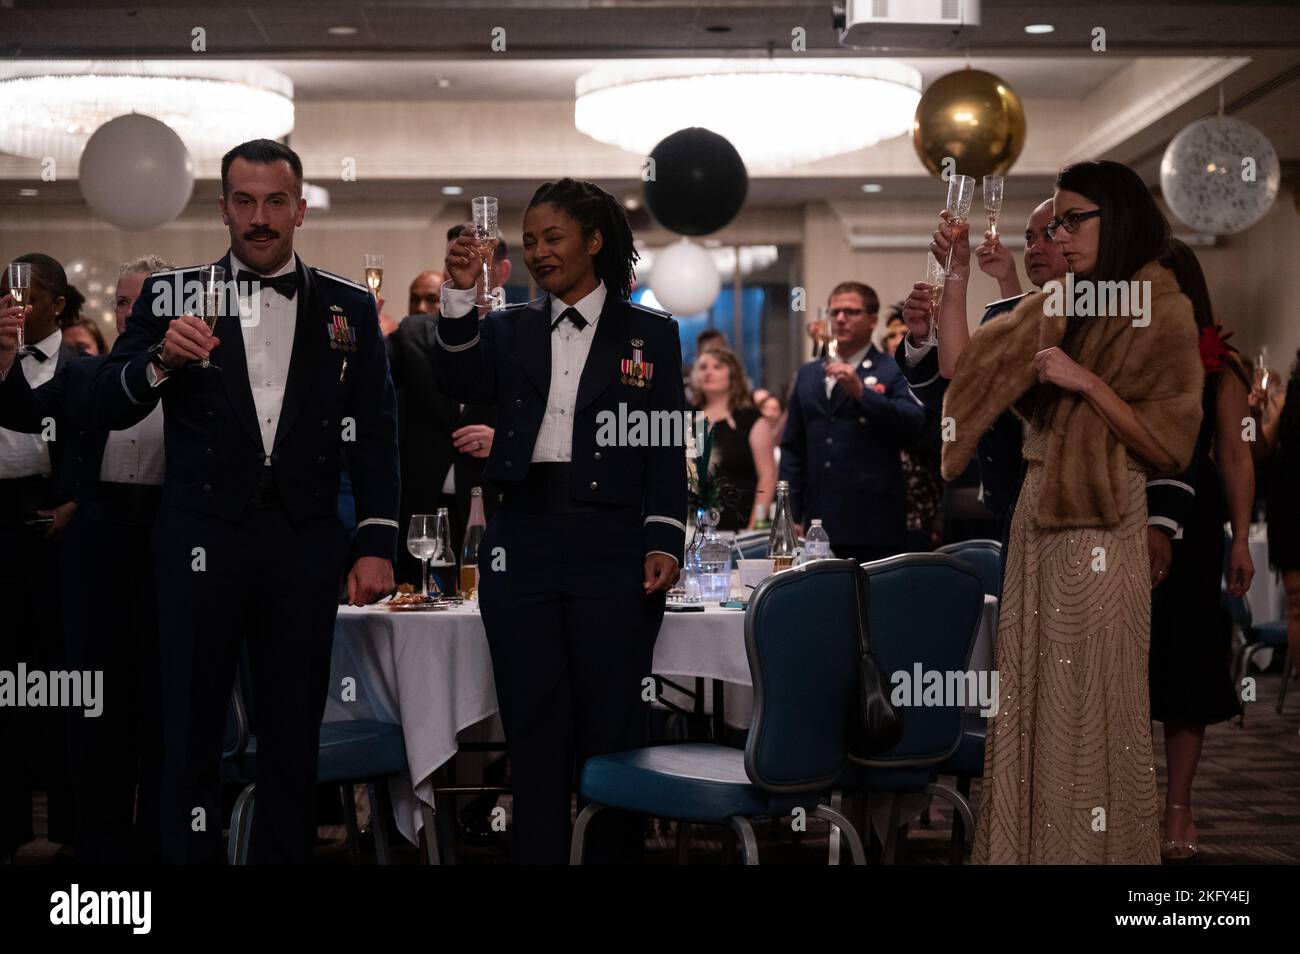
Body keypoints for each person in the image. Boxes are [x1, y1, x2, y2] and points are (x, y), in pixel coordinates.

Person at [87, 139, 399, 864]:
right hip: (198, 542)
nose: (260, 218)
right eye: (245, 201)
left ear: (300, 207)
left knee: (293, 738)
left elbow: (377, 437)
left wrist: (378, 542)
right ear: (224, 206)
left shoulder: (349, 304)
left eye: (276, 201)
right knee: (188, 734)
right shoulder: (173, 297)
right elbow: (104, 403)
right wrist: (161, 360)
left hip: (304, 544)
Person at [941, 160, 1204, 864]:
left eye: (1070, 220)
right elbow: (968, 375)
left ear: (1112, 219)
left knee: (1088, 704)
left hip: (1104, 524)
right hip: (1034, 523)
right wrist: (958, 274)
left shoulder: (1161, 307)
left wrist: (1086, 382)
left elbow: (1170, 446)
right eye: (1054, 222)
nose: (1057, 233)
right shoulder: (1060, 300)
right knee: (1029, 703)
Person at [434, 177, 686, 864]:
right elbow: (456, 378)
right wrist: (459, 294)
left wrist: (665, 535)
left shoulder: (651, 334)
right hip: (523, 543)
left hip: (613, 542)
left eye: (553, 238)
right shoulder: (509, 327)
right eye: (531, 241)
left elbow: (665, 440)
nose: (540, 252)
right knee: (533, 727)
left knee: (613, 729)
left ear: (593, 240)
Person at [0, 255, 172, 864]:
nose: (132, 315)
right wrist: (74, 500)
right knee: (93, 704)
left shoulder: (200, 382)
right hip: (95, 550)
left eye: (146, 303)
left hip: (170, 551)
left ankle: (159, 839)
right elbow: (28, 442)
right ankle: (97, 846)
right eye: (124, 304)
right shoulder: (84, 376)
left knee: (164, 708)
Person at [1145, 239, 1255, 861]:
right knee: (1129, 666)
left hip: (1198, 519)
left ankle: (1180, 804)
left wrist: (1242, 536)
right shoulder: (1123, 351)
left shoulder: (1220, 363)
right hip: (1128, 510)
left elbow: (1237, 454)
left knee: (1185, 660)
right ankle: (1125, 797)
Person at [0, 253, 83, 862]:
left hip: (65, 547)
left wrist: (74, 498)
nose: (14, 305)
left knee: (64, 687)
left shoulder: (86, 369)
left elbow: (81, 453)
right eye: (5, 294)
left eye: (27, 294)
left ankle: (72, 833)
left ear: (58, 303)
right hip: (3, 548)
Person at [779, 281, 925, 562]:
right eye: (834, 313)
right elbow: (793, 448)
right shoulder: (809, 374)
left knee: (872, 603)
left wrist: (862, 393)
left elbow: (914, 423)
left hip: (874, 521)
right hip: (817, 521)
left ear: (872, 320)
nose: (841, 318)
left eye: (851, 312)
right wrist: (790, 512)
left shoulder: (892, 368)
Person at [691, 347, 776, 531]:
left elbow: (768, 475)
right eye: (703, 367)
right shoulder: (689, 418)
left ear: (733, 374)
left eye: (717, 366)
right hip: (697, 526)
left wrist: (754, 526)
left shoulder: (750, 419)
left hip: (741, 523)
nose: (708, 372)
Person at [1260, 348, 1300, 717]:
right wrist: (1249, 414)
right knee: (1297, 605)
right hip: (1291, 509)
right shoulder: (1290, 400)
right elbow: (1259, 446)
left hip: (1289, 508)